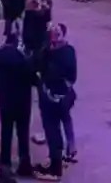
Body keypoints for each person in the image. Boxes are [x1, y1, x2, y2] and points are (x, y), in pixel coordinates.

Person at [35, 23, 77, 180]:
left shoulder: (50, 53)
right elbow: (72, 76)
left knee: (53, 132)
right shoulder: (69, 50)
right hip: (65, 97)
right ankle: (65, 152)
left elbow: (40, 68)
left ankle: (55, 168)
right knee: (63, 122)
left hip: (52, 98)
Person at [0, 32, 34, 177]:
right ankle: (24, 163)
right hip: (22, 102)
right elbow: (33, 77)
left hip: (5, 101)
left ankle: (5, 162)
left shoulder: (0, 56)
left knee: (6, 131)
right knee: (23, 133)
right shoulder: (23, 60)